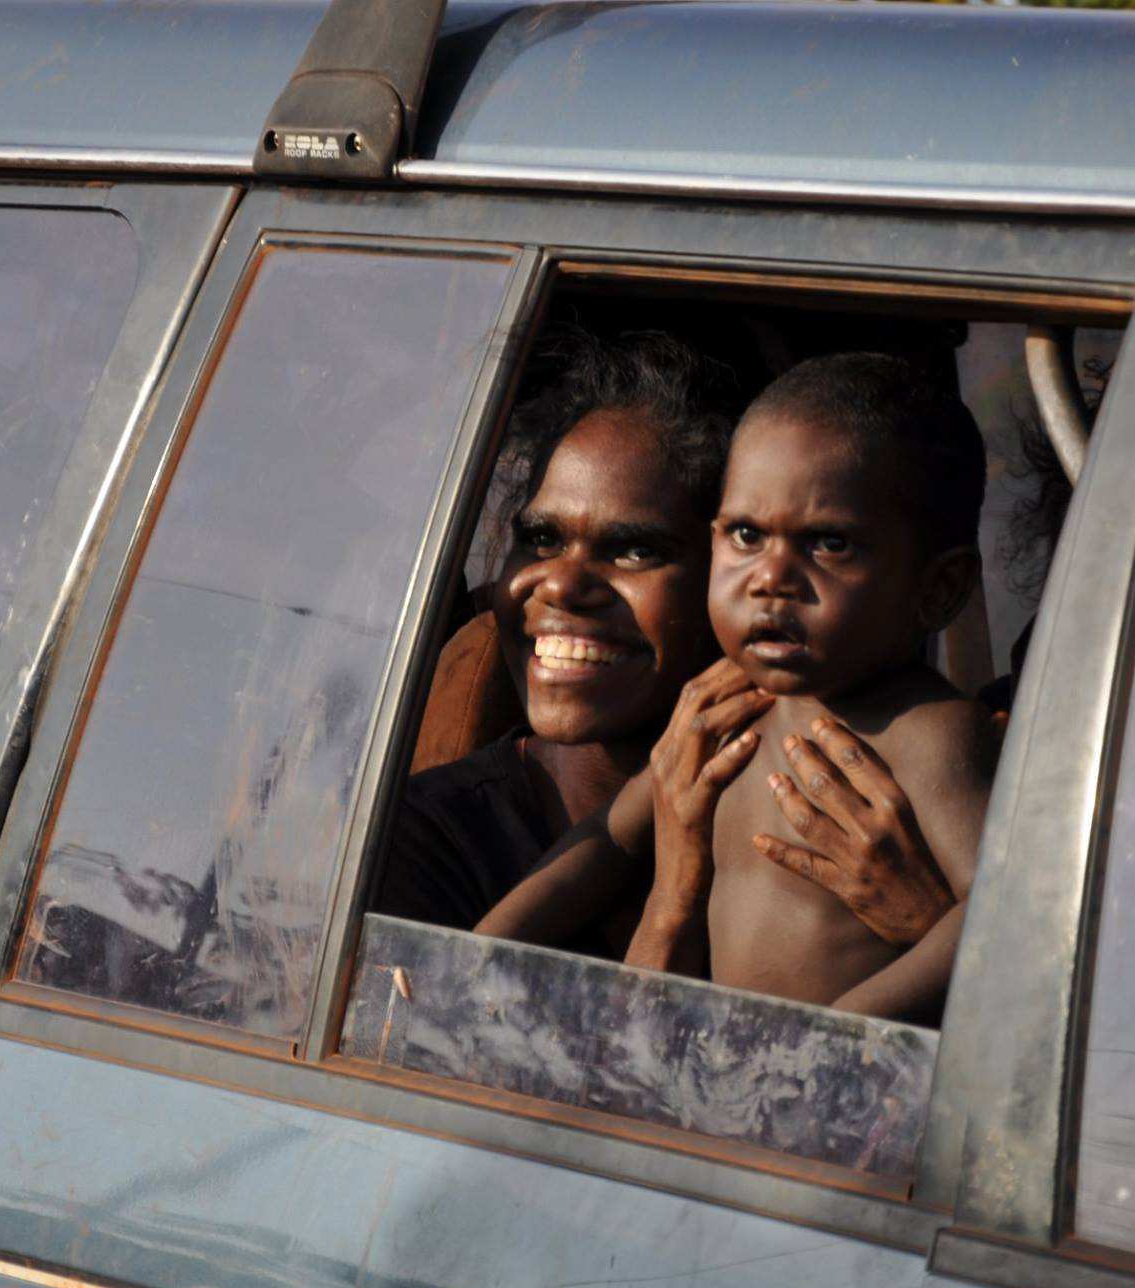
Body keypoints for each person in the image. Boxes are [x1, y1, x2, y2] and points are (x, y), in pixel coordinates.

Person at [481, 353, 998, 1018]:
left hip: (833, 1097)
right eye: (747, 535)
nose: (769, 577)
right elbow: (608, 841)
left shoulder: (931, 731)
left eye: (829, 544)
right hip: (719, 1084)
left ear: (939, 589)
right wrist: (474, 953)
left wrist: (841, 1040)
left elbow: (993, 920)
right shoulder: (724, 707)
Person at [371, 330, 740, 945]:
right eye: (541, 539)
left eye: (636, 549)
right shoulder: (424, 838)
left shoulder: (824, 822)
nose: (562, 585)